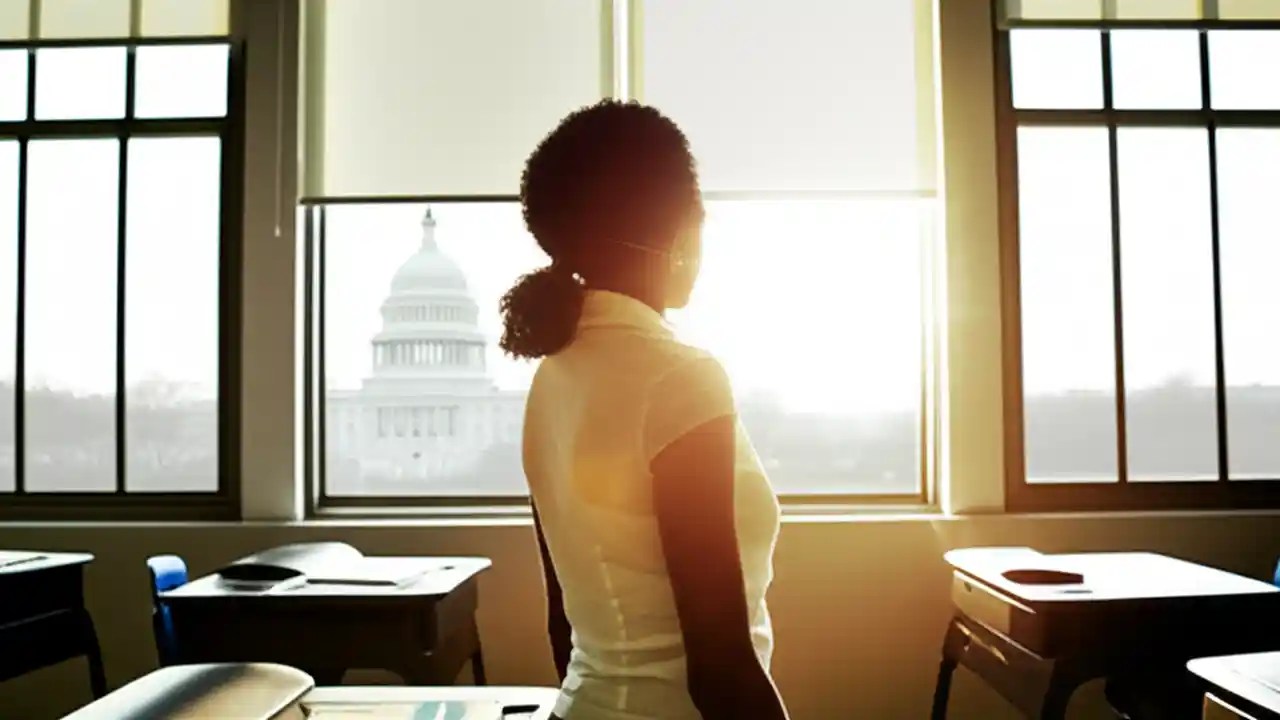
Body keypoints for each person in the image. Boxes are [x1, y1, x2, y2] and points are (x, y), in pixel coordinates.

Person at [500, 100, 788, 720]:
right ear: (682, 225)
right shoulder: (682, 378)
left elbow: (562, 624)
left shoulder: (552, 379)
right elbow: (719, 667)